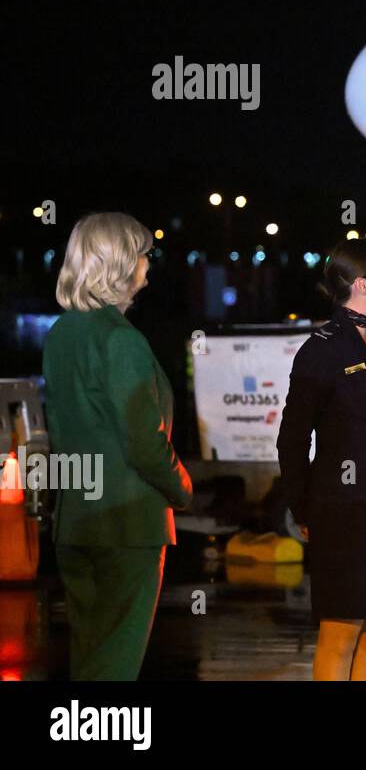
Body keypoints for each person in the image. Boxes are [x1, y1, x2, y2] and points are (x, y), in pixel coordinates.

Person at [42, 212, 193, 680]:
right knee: (116, 663)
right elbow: (143, 441)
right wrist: (182, 489)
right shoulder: (120, 340)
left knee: (89, 655)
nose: (149, 263)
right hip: (128, 523)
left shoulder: (61, 334)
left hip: (77, 518)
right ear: (122, 264)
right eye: (144, 253)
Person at [277, 240, 366, 680]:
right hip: (343, 510)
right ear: (360, 284)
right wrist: (303, 507)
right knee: (340, 635)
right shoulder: (322, 349)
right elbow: (292, 438)